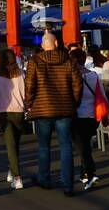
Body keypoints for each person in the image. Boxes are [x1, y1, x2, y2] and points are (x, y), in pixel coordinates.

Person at [24, 30, 80, 196]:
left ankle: (44, 178)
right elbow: (77, 85)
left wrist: (29, 104)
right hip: (65, 108)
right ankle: (68, 184)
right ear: (56, 44)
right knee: (65, 146)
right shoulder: (68, 60)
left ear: (42, 46)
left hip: (43, 108)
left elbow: (29, 86)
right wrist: (74, 102)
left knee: (44, 146)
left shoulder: (35, 61)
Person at [0, 48, 26, 189]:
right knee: (15, 143)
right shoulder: (21, 75)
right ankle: (12, 170)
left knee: (10, 144)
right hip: (19, 111)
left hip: (4, 112)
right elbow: (24, 93)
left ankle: (17, 176)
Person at [70, 48, 103, 190]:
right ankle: (84, 173)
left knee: (81, 146)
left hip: (77, 115)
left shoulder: (71, 77)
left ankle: (91, 172)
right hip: (92, 115)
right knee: (85, 143)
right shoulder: (94, 75)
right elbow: (101, 95)